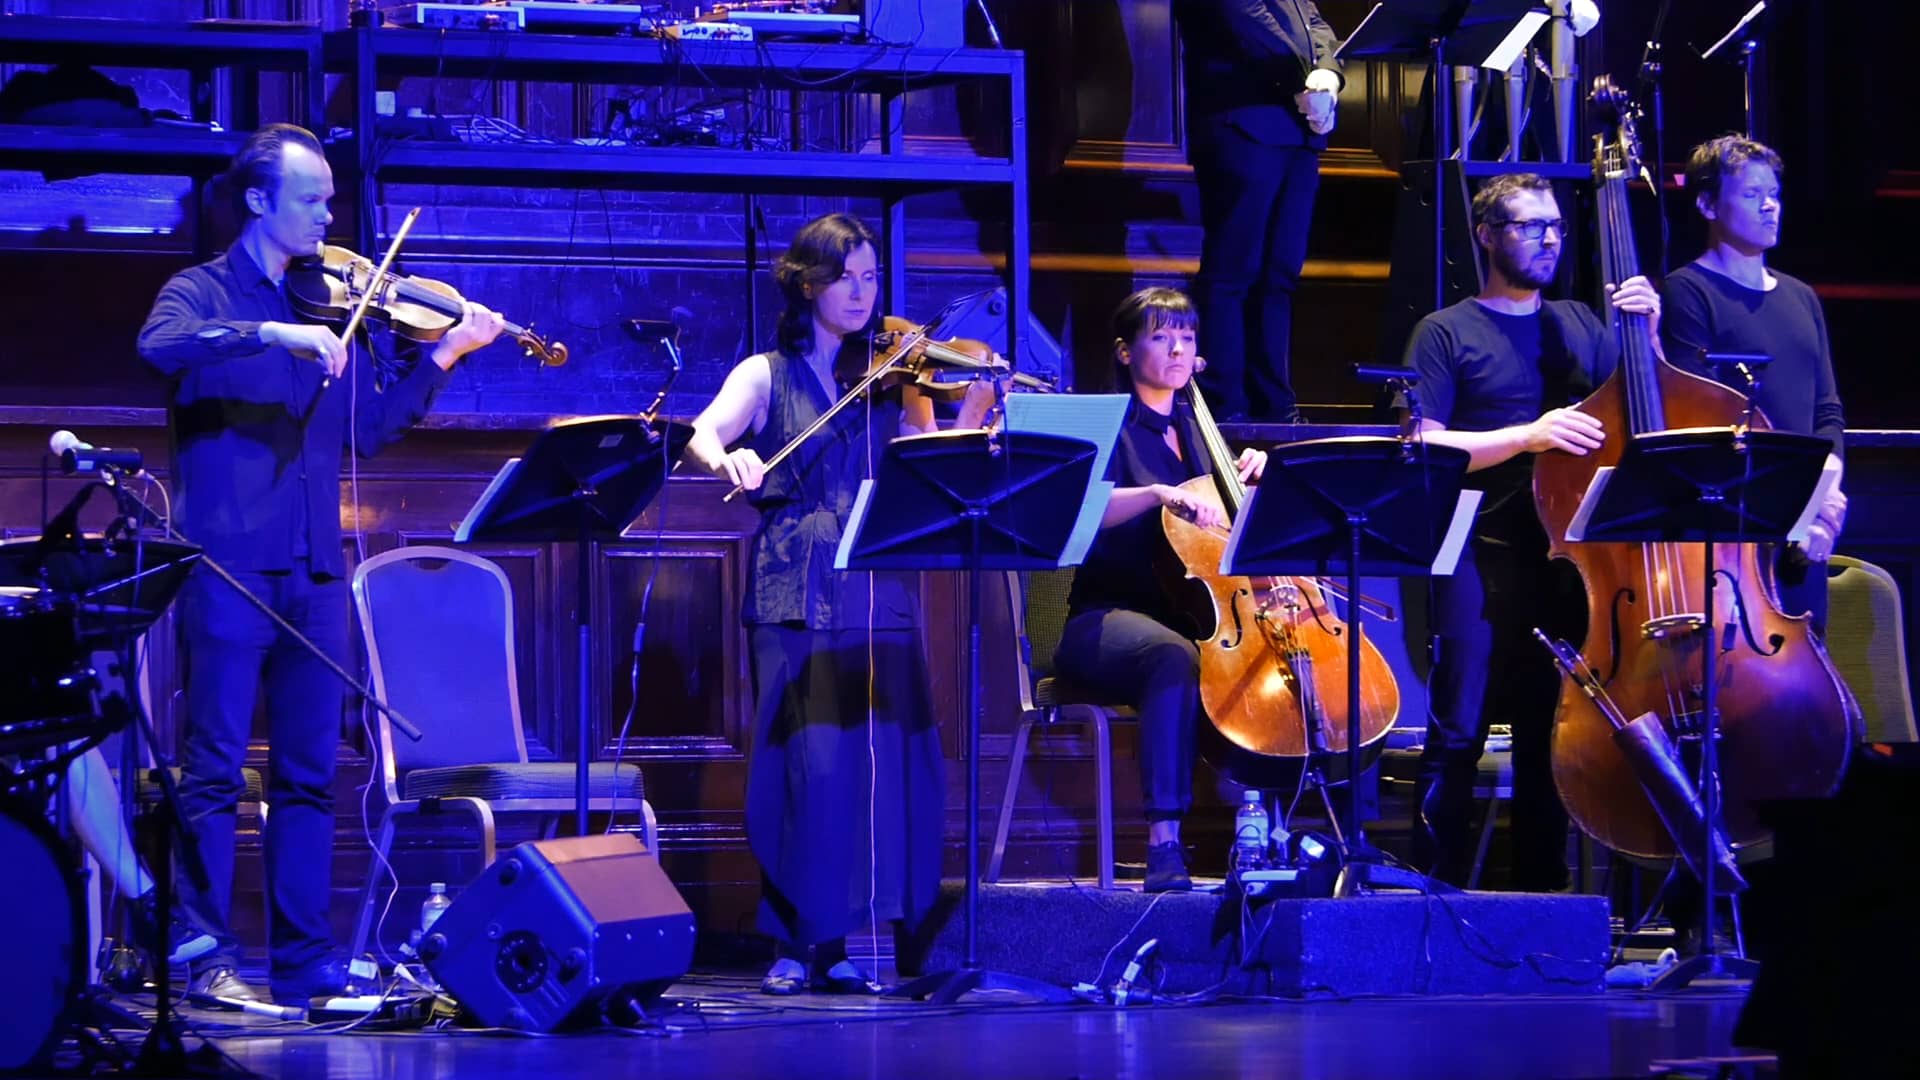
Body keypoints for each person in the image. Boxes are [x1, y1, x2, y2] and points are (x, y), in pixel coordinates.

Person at [137, 123, 504, 1005]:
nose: (329, 216)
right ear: (260, 201)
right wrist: (272, 334)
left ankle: (305, 962)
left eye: (331, 197)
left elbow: (368, 431)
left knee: (310, 774)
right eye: (312, 198)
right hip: (226, 567)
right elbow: (161, 347)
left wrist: (444, 356)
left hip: (314, 576)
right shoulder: (203, 291)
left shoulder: (328, 306)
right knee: (216, 768)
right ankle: (205, 958)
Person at [684, 213, 994, 994]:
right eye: (845, 278)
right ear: (807, 284)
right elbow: (700, 434)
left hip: (877, 578)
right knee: (806, 771)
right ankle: (799, 943)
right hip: (792, 582)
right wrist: (736, 457)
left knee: (883, 767)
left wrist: (975, 414)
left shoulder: (895, 376)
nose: (862, 294)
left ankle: (862, 939)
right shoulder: (765, 372)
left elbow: (926, 465)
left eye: (871, 277)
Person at [1403, 172, 1663, 890]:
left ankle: (1543, 899)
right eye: (1528, 226)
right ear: (1487, 234)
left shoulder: (1581, 323)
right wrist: (1527, 436)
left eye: (1554, 226)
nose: (1548, 239)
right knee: (1459, 729)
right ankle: (1439, 895)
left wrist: (1648, 332)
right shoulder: (1446, 330)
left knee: (1551, 735)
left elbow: (1644, 410)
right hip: (1477, 551)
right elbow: (1424, 443)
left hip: (1569, 558)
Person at [1052, 286, 1268, 893]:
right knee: (1172, 655)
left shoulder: (1202, 433)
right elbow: (1079, 511)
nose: (1178, 347)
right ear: (1125, 351)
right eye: (1160, 335)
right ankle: (1164, 846)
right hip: (1105, 617)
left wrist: (1244, 474)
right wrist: (1152, 495)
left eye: (1188, 336)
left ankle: (1273, 830)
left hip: (1199, 615)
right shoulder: (1107, 428)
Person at [1661, 135, 1847, 633]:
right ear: (1706, 204)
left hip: (1803, 527)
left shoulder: (1801, 296)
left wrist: (1826, 494)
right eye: (1750, 194)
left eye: (1774, 193)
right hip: (1737, 524)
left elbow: (1826, 409)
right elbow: (1699, 409)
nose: (1770, 205)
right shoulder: (1688, 291)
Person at [1173, 0, 1344, 423]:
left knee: (1279, 276)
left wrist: (1328, 77)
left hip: (1297, 133)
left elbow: (1314, 22)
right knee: (1234, 272)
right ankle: (1226, 406)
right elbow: (1246, 22)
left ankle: (1275, 406)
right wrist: (1310, 78)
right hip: (1242, 126)